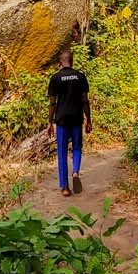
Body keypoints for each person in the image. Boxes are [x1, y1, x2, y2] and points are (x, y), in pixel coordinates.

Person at [46, 49, 91, 197]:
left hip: (62, 120)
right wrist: (88, 120)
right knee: (77, 147)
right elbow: (85, 101)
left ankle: (65, 188)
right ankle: (76, 172)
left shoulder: (55, 78)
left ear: (60, 63)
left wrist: (50, 123)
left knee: (62, 152)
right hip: (77, 118)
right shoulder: (80, 77)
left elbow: (52, 103)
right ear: (72, 61)